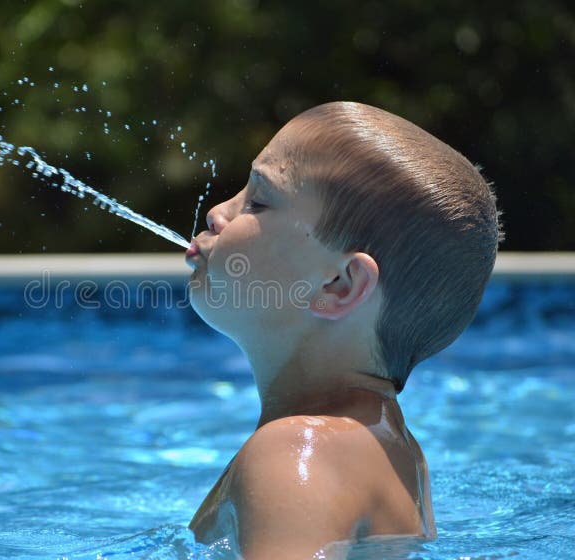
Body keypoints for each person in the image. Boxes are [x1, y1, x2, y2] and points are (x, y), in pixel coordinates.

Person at [184, 101, 503, 559]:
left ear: (339, 285)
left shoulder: (295, 453)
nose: (218, 212)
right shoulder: (392, 450)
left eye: (258, 200)